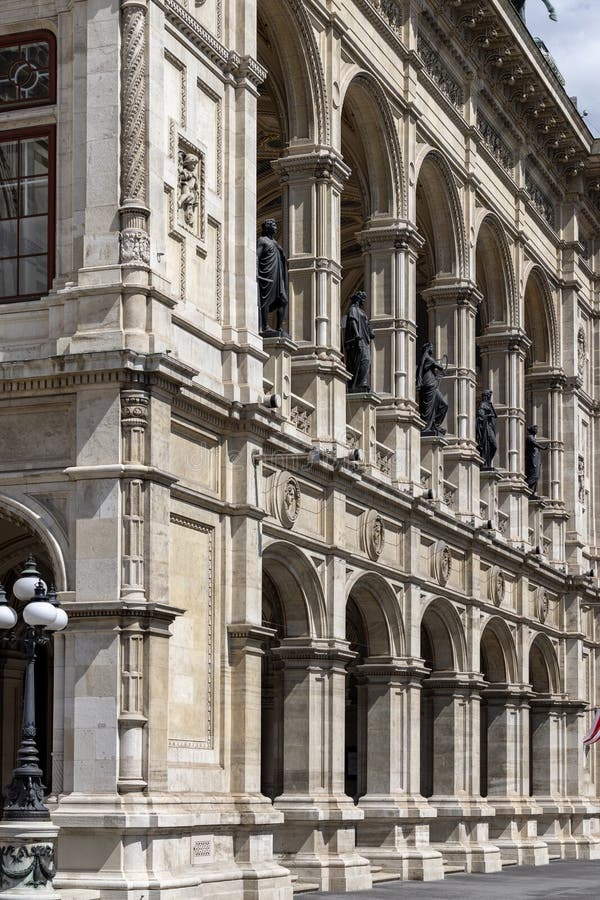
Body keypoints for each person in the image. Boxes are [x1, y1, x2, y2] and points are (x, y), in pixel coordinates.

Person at [256, 219, 288, 335]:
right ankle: (265, 326)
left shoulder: (274, 242)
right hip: (267, 274)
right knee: (266, 301)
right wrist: (256, 272)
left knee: (283, 300)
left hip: (277, 276)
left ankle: (279, 328)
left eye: (275, 225)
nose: (275, 227)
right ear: (267, 227)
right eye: (273, 225)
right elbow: (257, 256)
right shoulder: (262, 241)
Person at [344, 291, 375, 392]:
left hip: (365, 340)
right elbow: (353, 321)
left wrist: (370, 331)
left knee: (367, 360)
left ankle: (362, 381)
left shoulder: (362, 312)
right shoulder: (353, 309)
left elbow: (366, 324)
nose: (364, 301)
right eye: (362, 299)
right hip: (358, 340)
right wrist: (356, 334)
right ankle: (357, 383)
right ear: (358, 300)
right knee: (361, 359)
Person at [416, 343, 448, 436]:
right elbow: (440, 367)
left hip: (432, 386)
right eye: (431, 348)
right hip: (429, 386)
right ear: (427, 348)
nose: (432, 349)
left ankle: (435, 425)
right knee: (428, 409)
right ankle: (427, 427)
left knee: (444, 405)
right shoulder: (427, 358)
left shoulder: (426, 358)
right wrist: (441, 366)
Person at [476, 390, 497, 470]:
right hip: (486, 429)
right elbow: (480, 415)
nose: (489, 398)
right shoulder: (483, 404)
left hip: (490, 427)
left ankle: (487, 462)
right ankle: (485, 463)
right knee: (491, 445)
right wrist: (488, 416)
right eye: (489, 396)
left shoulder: (489, 405)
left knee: (494, 446)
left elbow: (495, 416)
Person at [525, 424, 545, 497]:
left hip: (536, 460)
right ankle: (528, 488)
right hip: (532, 460)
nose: (536, 430)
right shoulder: (530, 437)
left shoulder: (532, 437)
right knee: (534, 476)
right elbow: (535, 444)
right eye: (535, 429)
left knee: (536, 476)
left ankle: (532, 491)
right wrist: (543, 448)